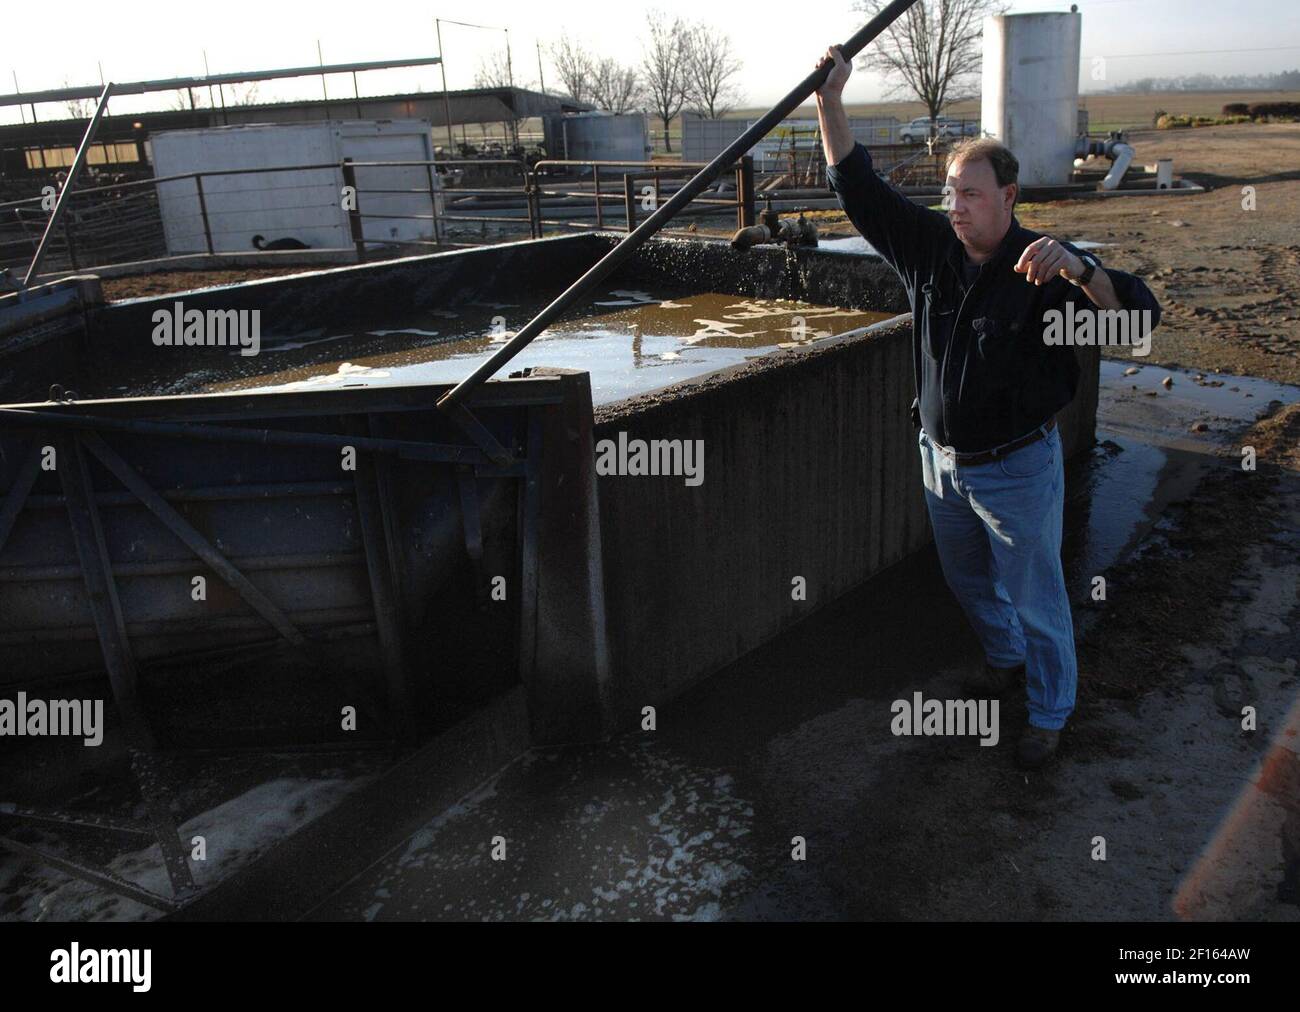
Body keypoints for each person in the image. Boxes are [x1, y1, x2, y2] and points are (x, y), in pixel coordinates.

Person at [815, 44, 1161, 769]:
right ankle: (1002, 661)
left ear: (1009, 198)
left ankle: (1049, 714)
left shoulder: (1044, 269)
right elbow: (857, 188)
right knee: (967, 579)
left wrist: (1086, 269)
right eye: (950, 190)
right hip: (941, 463)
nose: (956, 205)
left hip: (1017, 470)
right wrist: (830, 101)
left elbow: (1135, 325)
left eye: (971, 193)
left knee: (1037, 599)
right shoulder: (928, 252)